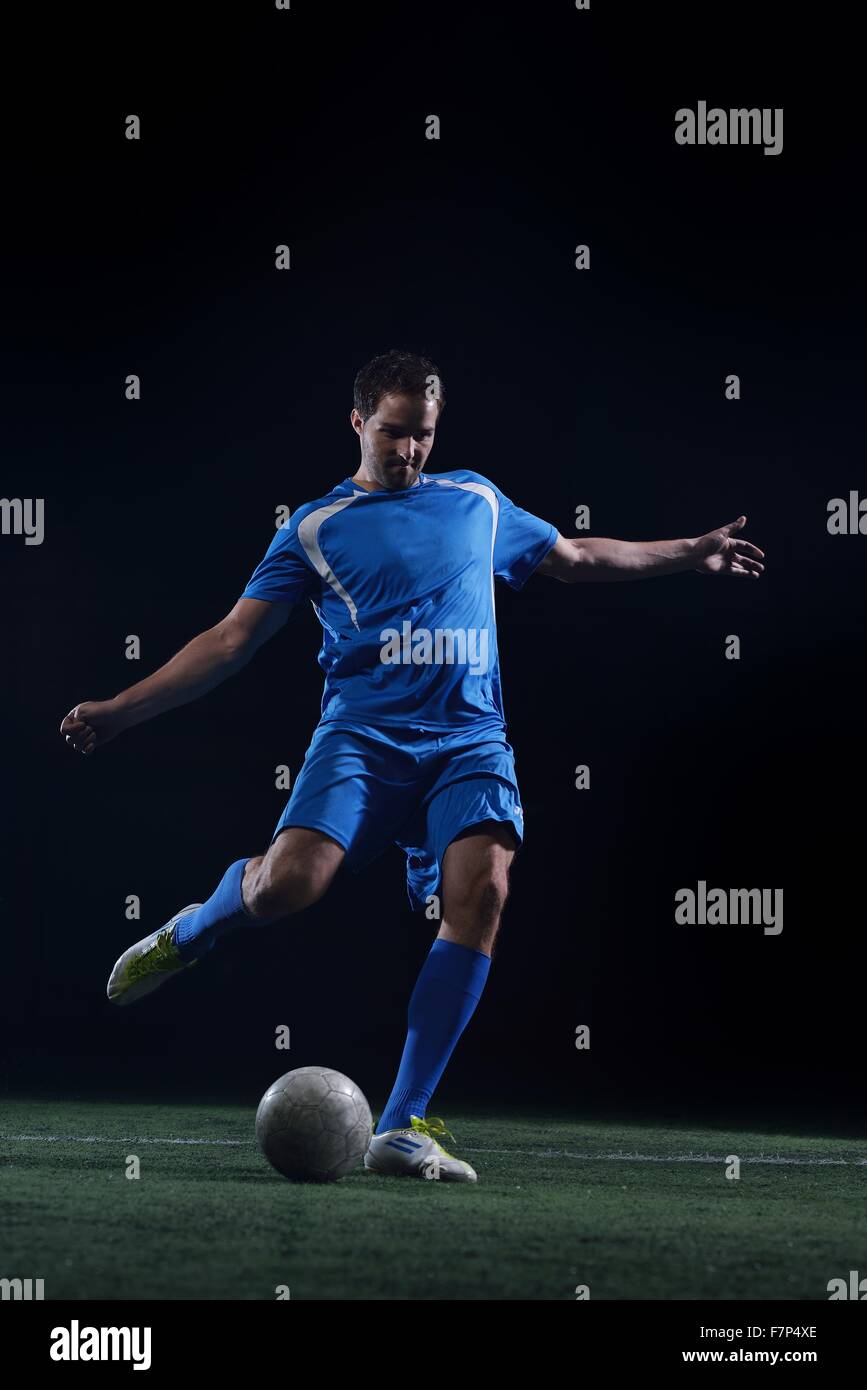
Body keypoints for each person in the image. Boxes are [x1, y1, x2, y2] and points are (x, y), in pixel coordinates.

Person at [60, 347, 765, 1182]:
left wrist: (691, 551)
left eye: (422, 434)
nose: (408, 451)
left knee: (487, 888)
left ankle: (401, 1125)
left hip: (469, 740)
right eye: (392, 433)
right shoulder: (314, 527)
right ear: (358, 422)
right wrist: (118, 711)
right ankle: (194, 927)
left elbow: (573, 558)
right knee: (286, 888)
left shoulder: (475, 500)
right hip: (361, 740)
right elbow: (228, 641)